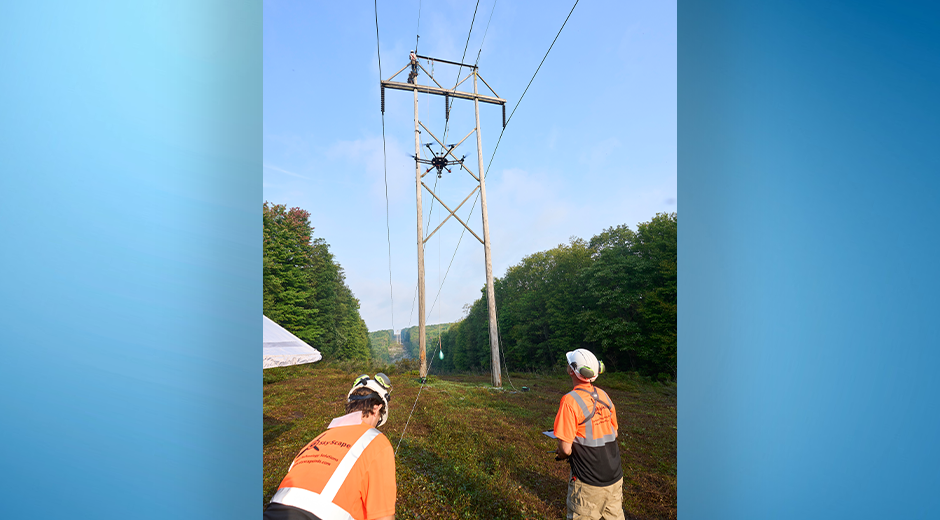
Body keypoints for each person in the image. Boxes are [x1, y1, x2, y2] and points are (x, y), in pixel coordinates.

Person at [265, 374, 397, 520]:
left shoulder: (319, 438)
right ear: (377, 409)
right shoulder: (376, 441)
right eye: (379, 419)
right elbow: (383, 517)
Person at [553, 349, 625, 520]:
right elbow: (614, 433)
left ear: (571, 371)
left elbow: (565, 449)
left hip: (588, 483)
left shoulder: (570, 401)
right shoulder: (604, 395)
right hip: (615, 477)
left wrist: (561, 454)